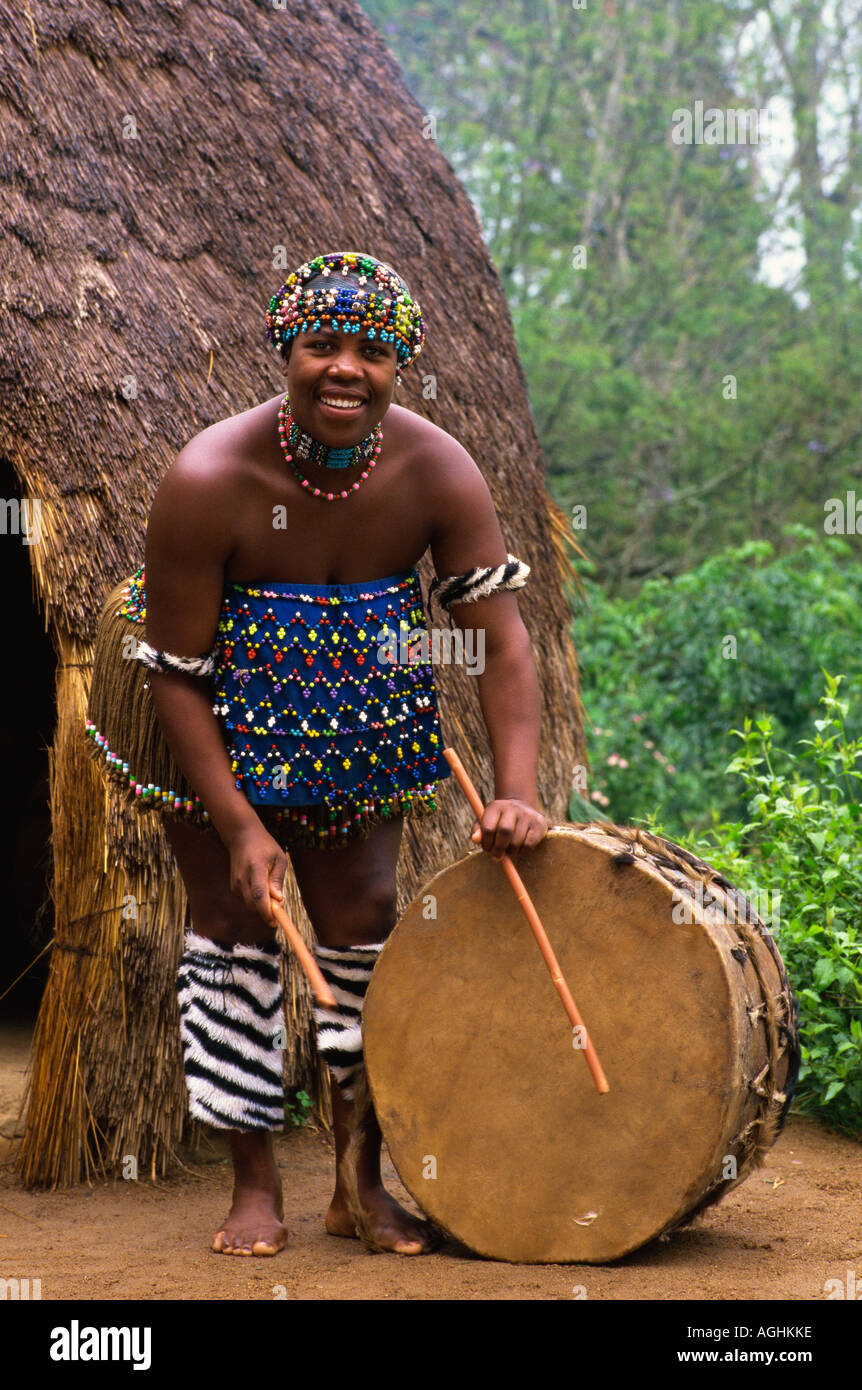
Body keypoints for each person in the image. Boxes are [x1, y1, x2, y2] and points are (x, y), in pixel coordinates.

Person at [86, 250, 548, 1256]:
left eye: (373, 352)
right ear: (284, 352)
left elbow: (499, 637)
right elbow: (175, 672)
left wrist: (518, 792)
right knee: (236, 937)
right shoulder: (211, 478)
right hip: (217, 742)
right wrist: (238, 822)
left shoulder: (434, 470)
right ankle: (254, 1186)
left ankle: (359, 1181)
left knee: (363, 940)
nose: (347, 368)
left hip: (362, 742)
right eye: (322, 346)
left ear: (401, 364)